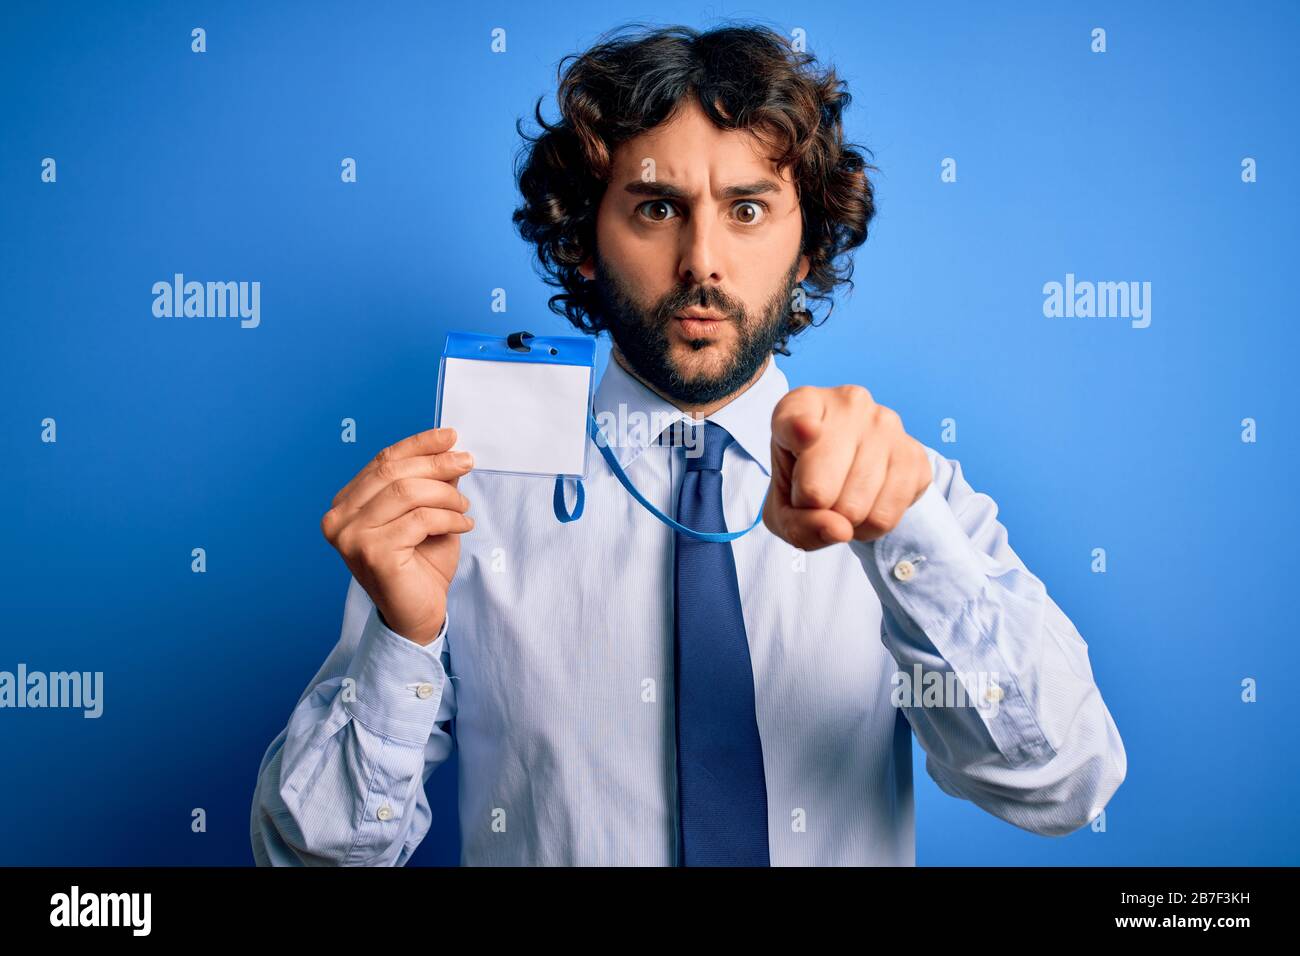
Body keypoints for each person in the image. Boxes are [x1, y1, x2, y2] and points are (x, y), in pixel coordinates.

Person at [250, 23, 1125, 866]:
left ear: (808, 246)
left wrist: (905, 536)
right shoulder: (464, 510)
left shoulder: (903, 497)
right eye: (657, 207)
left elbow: (1066, 787)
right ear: (586, 241)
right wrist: (402, 636)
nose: (702, 260)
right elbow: (310, 859)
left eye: (748, 208)